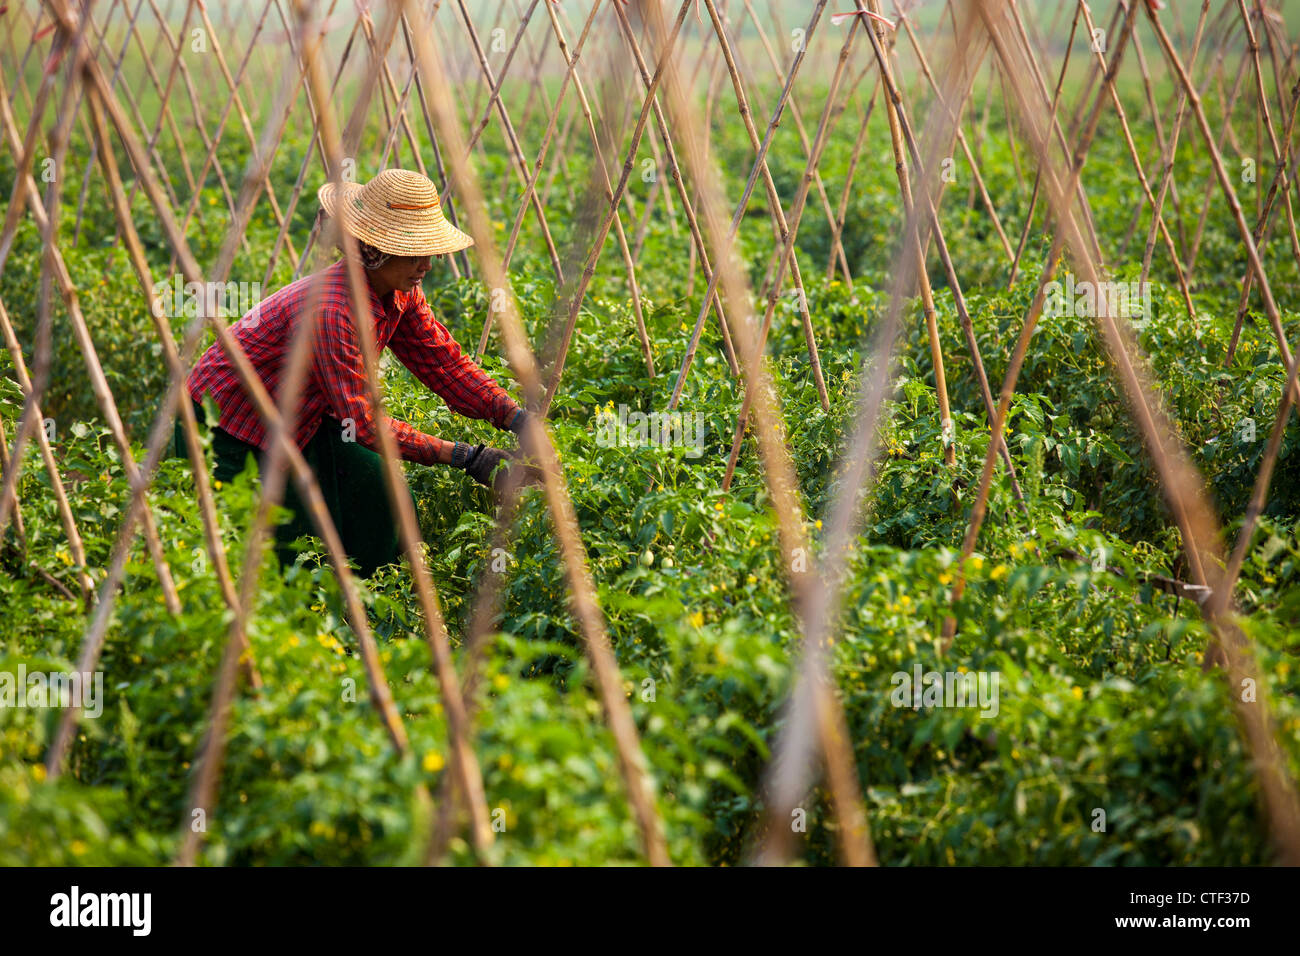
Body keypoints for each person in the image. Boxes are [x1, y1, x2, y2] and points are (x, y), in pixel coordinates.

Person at [178, 168, 535, 577]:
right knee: (277, 545)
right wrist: (465, 456)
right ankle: (309, 617)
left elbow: (442, 362)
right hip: (228, 424)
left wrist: (515, 417)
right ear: (375, 251)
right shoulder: (333, 311)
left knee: (381, 495)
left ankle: (371, 599)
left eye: (429, 252)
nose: (427, 266)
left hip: (305, 415)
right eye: (413, 252)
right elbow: (362, 422)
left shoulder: (400, 292)